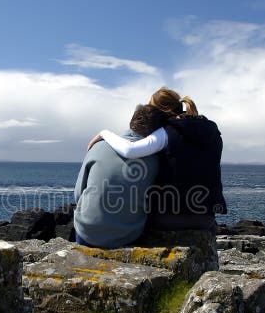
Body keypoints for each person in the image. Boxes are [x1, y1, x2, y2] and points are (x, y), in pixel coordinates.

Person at [87, 87, 227, 230]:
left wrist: (104, 133)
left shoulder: (168, 132)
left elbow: (130, 150)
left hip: (171, 217)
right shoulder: (212, 130)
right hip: (206, 218)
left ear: (158, 112)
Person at [73, 105, 166, 248]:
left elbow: (78, 194)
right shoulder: (156, 160)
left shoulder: (98, 147)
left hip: (88, 231)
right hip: (127, 235)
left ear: (132, 122)